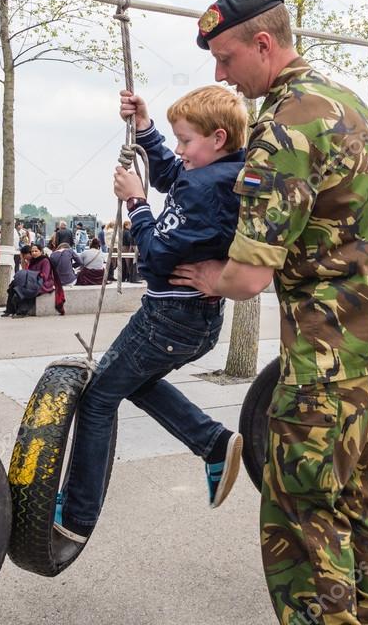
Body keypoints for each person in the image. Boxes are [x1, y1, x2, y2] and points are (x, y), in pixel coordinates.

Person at [168, 0, 368, 625]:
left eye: (226, 59)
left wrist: (209, 276)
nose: (221, 74)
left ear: (263, 44)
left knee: (303, 521)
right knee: (356, 507)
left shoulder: (282, 128)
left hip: (327, 362)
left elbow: (251, 278)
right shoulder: (345, 104)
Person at [56, 83, 249, 547]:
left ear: (217, 138)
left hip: (168, 319)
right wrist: (146, 129)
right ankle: (213, 443)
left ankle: (76, 517)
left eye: (185, 141)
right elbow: (176, 177)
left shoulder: (206, 187)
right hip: (194, 320)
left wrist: (137, 203)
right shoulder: (221, 173)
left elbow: (157, 254)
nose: (179, 150)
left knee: (99, 398)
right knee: (134, 382)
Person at [1, 244, 60, 317]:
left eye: (36, 251)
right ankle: (10, 310)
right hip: (33, 280)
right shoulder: (33, 261)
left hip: (43, 282)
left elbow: (45, 275)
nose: (34, 253)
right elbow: (27, 272)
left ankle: (22, 312)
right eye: (32, 251)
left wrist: (31, 276)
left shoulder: (45, 260)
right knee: (13, 286)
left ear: (40, 251)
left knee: (27, 288)